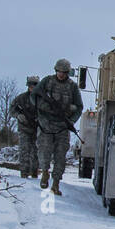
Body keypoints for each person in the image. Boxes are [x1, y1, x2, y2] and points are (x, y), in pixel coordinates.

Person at [32, 59, 83, 196]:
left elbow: (79, 107)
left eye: (64, 72)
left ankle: (56, 184)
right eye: (59, 71)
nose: (61, 74)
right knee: (44, 152)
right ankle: (44, 173)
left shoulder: (72, 87)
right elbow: (34, 97)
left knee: (60, 156)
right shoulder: (47, 82)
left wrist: (71, 121)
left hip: (62, 126)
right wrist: (41, 111)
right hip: (46, 125)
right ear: (56, 70)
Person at [11, 76, 40, 178]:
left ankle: (34, 173)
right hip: (24, 129)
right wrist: (18, 115)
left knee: (36, 152)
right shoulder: (21, 98)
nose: (32, 87)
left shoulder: (42, 99)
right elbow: (12, 109)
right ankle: (24, 174)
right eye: (30, 85)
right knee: (24, 151)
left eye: (34, 85)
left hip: (37, 129)